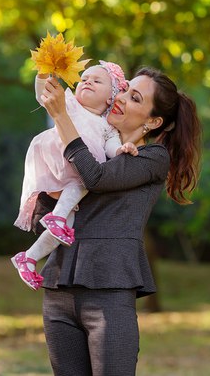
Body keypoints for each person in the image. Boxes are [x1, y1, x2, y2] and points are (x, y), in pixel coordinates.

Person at [33, 66, 202, 376]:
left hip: (109, 294)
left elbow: (97, 178)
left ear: (153, 121)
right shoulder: (86, 144)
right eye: (124, 90)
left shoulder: (152, 158)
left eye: (135, 98)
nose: (121, 98)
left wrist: (62, 117)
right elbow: (44, 213)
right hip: (59, 290)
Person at [11, 60, 133, 290]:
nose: (87, 82)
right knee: (86, 177)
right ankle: (57, 217)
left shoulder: (108, 127)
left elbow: (111, 147)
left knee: (67, 226)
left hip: (73, 173)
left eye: (97, 81)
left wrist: (121, 150)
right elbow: (43, 96)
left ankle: (28, 258)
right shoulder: (70, 103)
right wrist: (43, 75)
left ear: (111, 97)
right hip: (57, 153)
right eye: (84, 79)